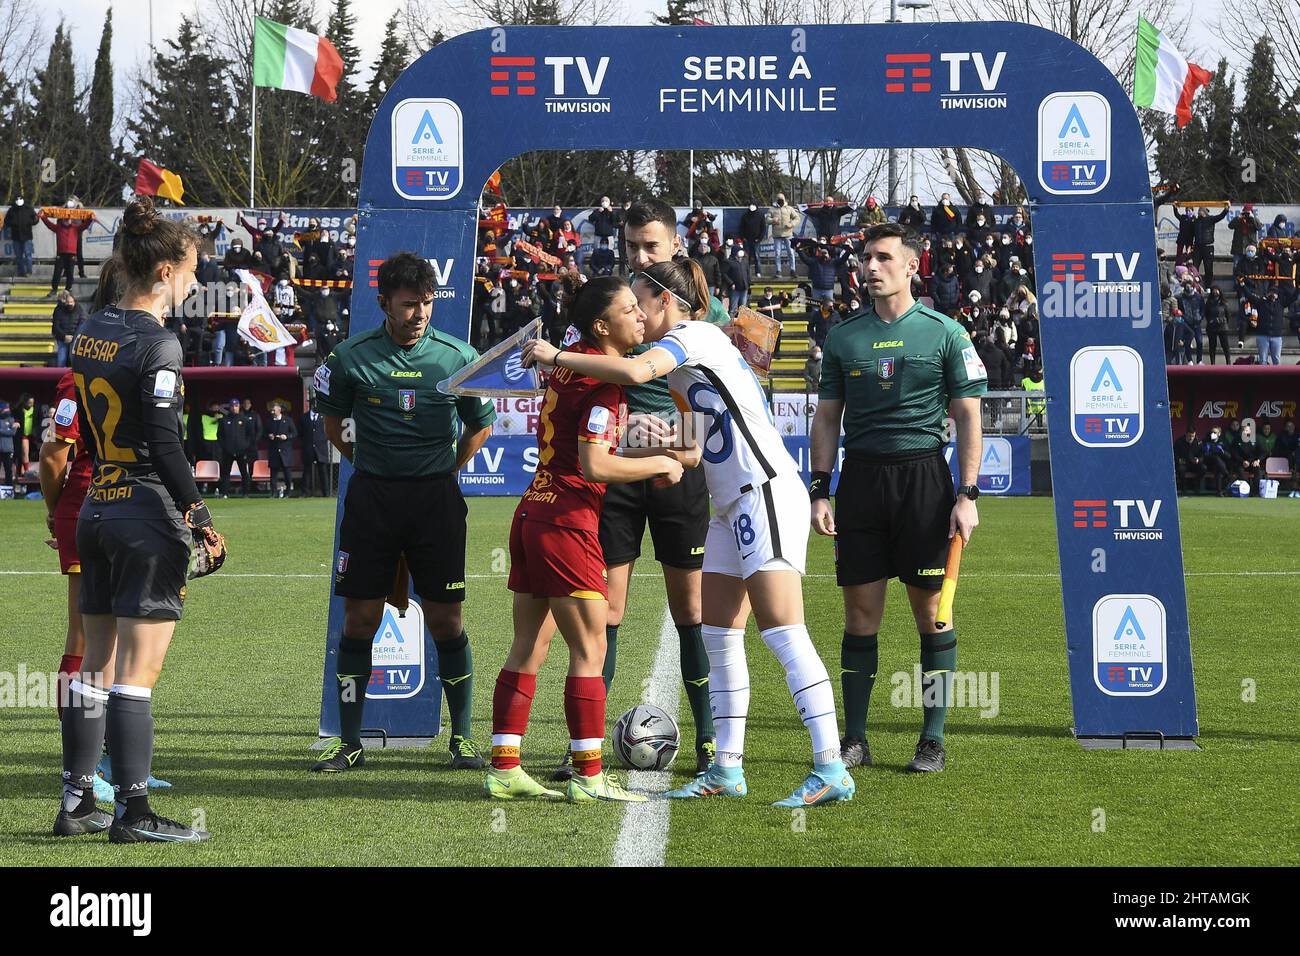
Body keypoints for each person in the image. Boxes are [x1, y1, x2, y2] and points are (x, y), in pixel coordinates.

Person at [523, 257, 856, 808]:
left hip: (765, 489)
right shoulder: (681, 364)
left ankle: (830, 766)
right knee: (719, 635)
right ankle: (727, 767)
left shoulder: (690, 335)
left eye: (637, 302)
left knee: (782, 630)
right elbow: (695, 445)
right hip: (728, 502)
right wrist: (652, 440)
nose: (632, 312)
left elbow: (632, 374)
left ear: (662, 301)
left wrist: (554, 355)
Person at [57, 196, 224, 843]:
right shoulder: (161, 343)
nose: (194, 284)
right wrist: (201, 515)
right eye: (190, 272)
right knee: (136, 674)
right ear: (163, 274)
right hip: (147, 515)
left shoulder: (89, 330)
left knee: (93, 664)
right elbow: (162, 439)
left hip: (96, 506)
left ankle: (76, 803)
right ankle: (133, 812)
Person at [486, 275, 689, 803]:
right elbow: (596, 464)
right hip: (567, 522)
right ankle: (589, 774)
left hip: (533, 510)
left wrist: (664, 452)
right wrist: (660, 464)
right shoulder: (603, 383)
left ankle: (505, 765)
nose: (642, 317)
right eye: (630, 310)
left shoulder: (570, 362)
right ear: (603, 326)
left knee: (530, 644)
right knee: (592, 647)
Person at [809, 222, 987, 774]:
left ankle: (931, 739)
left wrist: (967, 493)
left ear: (912, 265)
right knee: (860, 615)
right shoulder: (843, 336)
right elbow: (827, 417)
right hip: (861, 481)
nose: (871, 267)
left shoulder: (946, 333)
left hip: (924, 483)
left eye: (884, 257)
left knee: (931, 614)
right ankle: (855, 740)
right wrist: (820, 488)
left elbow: (967, 416)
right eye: (866, 258)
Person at [311, 252, 496, 773]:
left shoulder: (459, 357)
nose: (420, 313)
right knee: (359, 620)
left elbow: (480, 425)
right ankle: (350, 742)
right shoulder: (350, 358)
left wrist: (441, 468)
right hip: (372, 501)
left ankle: (461, 740)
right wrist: (375, 464)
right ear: (384, 304)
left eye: (428, 302)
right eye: (409, 304)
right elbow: (333, 428)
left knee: (446, 619)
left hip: (435, 502)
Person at [575, 198, 725, 780]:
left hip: (679, 478)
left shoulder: (695, 321)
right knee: (604, 611)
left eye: (651, 247)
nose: (639, 256)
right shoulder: (611, 308)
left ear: (675, 248)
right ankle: (585, 744)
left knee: (691, 611)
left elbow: (713, 404)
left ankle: (710, 743)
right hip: (616, 476)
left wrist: (677, 436)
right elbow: (579, 378)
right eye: (632, 245)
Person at [41, 203, 97, 295]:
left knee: (70, 273)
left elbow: (85, 225)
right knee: (57, 272)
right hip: (61, 254)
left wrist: (91, 219)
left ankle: (68, 289)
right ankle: (54, 289)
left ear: (71, 219)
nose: (67, 221)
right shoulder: (58, 228)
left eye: (68, 219)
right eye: (65, 219)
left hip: (71, 254)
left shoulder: (76, 228)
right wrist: (43, 217)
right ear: (62, 219)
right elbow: (48, 224)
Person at [217, 398, 253, 497]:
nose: (234, 408)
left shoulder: (244, 419)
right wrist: (225, 447)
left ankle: (245, 493)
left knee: (244, 473)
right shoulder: (224, 420)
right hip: (228, 452)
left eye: (236, 406)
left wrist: (245, 446)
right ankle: (224, 493)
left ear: (239, 407)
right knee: (226, 473)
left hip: (242, 452)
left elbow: (250, 435)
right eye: (232, 406)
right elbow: (219, 436)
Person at [299, 399, 330, 496]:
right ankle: (306, 492)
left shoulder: (324, 417)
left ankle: (326, 492)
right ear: (312, 405)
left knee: (323, 471)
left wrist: (323, 439)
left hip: (321, 448)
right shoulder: (304, 417)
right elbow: (300, 432)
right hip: (308, 448)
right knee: (307, 471)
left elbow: (328, 431)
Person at [265, 403, 297, 498]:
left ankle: (288, 493)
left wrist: (286, 436)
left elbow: (295, 433)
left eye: (274, 410)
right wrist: (269, 436)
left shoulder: (288, 420)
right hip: (274, 451)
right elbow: (264, 433)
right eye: (271, 410)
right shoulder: (269, 421)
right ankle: (273, 493)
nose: (272, 412)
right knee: (273, 475)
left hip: (285, 451)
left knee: (287, 474)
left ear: (279, 410)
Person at [1191, 205, 1229, 283]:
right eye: (1198, 210)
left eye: (1200, 210)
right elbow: (1191, 233)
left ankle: (1208, 285)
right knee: (1195, 266)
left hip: (1208, 247)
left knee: (1208, 267)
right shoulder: (1196, 221)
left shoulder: (1210, 219)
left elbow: (1220, 216)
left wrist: (1226, 209)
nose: (1199, 212)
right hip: (1197, 247)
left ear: (1204, 212)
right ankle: (1195, 284)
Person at [766, 193, 800, 277]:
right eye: (778, 198)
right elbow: (767, 220)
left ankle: (792, 270)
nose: (780, 200)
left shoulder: (789, 208)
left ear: (784, 199)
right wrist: (772, 220)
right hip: (777, 235)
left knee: (791, 253)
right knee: (777, 253)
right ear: (776, 199)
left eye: (782, 198)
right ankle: (778, 271)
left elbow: (797, 218)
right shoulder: (772, 209)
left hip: (788, 234)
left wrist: (791, 224)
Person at [5, 196, 37, 276]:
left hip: (27, 236)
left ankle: (29, 271)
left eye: (20, 199)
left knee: (28, 254)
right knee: (19, 256)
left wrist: (29, 222)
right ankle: (21, 272)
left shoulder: (29, 209)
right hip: (16, 236)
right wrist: (13, 223)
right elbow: (6, 221)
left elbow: (36, 219)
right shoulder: (12, 210)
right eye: (17, 199)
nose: (19, 201)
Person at [51, 291, 85, 366]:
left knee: (74, 361)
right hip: (62, 339)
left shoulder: (79, 309)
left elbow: (81, 324)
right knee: (61, 359)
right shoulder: (58, 310)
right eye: (68, 302)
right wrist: (64, 337)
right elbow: (56, 326)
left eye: (71, 302)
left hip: (75, 339)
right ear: (65, 302)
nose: (70, 304)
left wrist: (74, 336)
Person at [1173, 428, 1206, 494]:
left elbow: (1202, 455)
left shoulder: (1199, 442)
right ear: (1186, 434)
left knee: (1203, 468)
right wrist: (1178, 460)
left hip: (1194, 464)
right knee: (1181, 469)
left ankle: (1196, 487)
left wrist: (1198, 460)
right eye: (1189, 436)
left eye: (1193, 436)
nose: (1191, 438)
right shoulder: (1179, 442)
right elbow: (1174, 454)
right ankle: (1184, 489)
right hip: (1183, 463)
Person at [1204, 287, 1231, 364]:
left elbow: (1228, 315)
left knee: (1225, 346)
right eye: (1214, 290)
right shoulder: (1208, 303)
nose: (1215, 292)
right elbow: (1206, 314)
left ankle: (1228, 362)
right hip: (1212, 327)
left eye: (1217, 290)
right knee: (1212, 346)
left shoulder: (1224, 303)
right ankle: (1213, 363)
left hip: (1222, 327)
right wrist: (1211, 321)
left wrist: (1223, 321)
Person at [738, 202, 766, 272]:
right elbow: (741, 227)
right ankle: (746, 271)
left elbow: (763, 228)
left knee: (756, 256)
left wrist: (759, 238)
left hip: (756, 240)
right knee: (747, 257)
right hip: (747, 240)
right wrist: (743, 238)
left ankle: (758, 272)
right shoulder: (745, 216)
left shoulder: (760, 215)